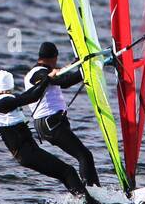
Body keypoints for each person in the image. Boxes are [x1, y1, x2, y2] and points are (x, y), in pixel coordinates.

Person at [0, 69, 97, 203]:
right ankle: (89, 203)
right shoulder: (0, 104)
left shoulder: (5, 100)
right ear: (10, 86)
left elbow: (28, 94)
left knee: (65, 173)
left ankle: (82, 200)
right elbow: (30, 97)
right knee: (67, 171)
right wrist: (47, 79)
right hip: (27, 153)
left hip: (28, 152)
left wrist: (44, 81)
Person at [23, 41, 99, 188]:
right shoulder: (39, 73)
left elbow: (62, 74)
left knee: (83, 156)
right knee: (84, 156)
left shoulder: (36, 72)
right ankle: (93, 192)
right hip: (51, 124)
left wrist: (78, 64)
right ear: (54, 57)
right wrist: (87, 70)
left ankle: (88, 192)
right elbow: (64, 81)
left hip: (47, 125)